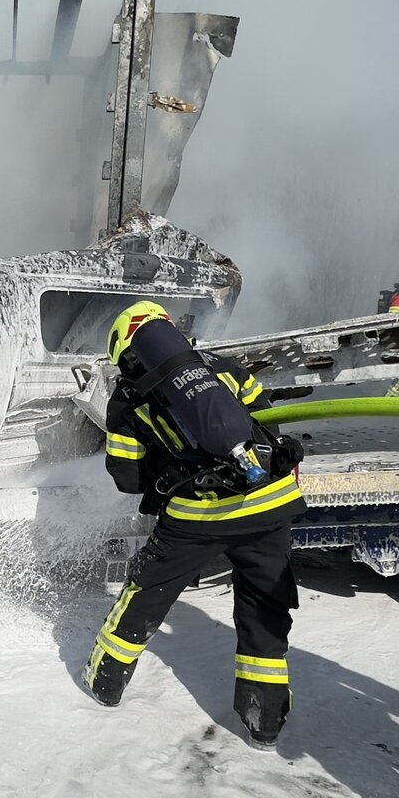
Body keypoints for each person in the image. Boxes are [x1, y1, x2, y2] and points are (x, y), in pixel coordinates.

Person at [84, 301, 306, 748]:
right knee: (264, 608)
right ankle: (264, 724)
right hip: (269, 504)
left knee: (145, 595)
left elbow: (127, 477)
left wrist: (168, 469)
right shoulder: (224, 370)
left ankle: (105, 684)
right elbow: (265, 422)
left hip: (197, 516)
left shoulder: (127, 399)